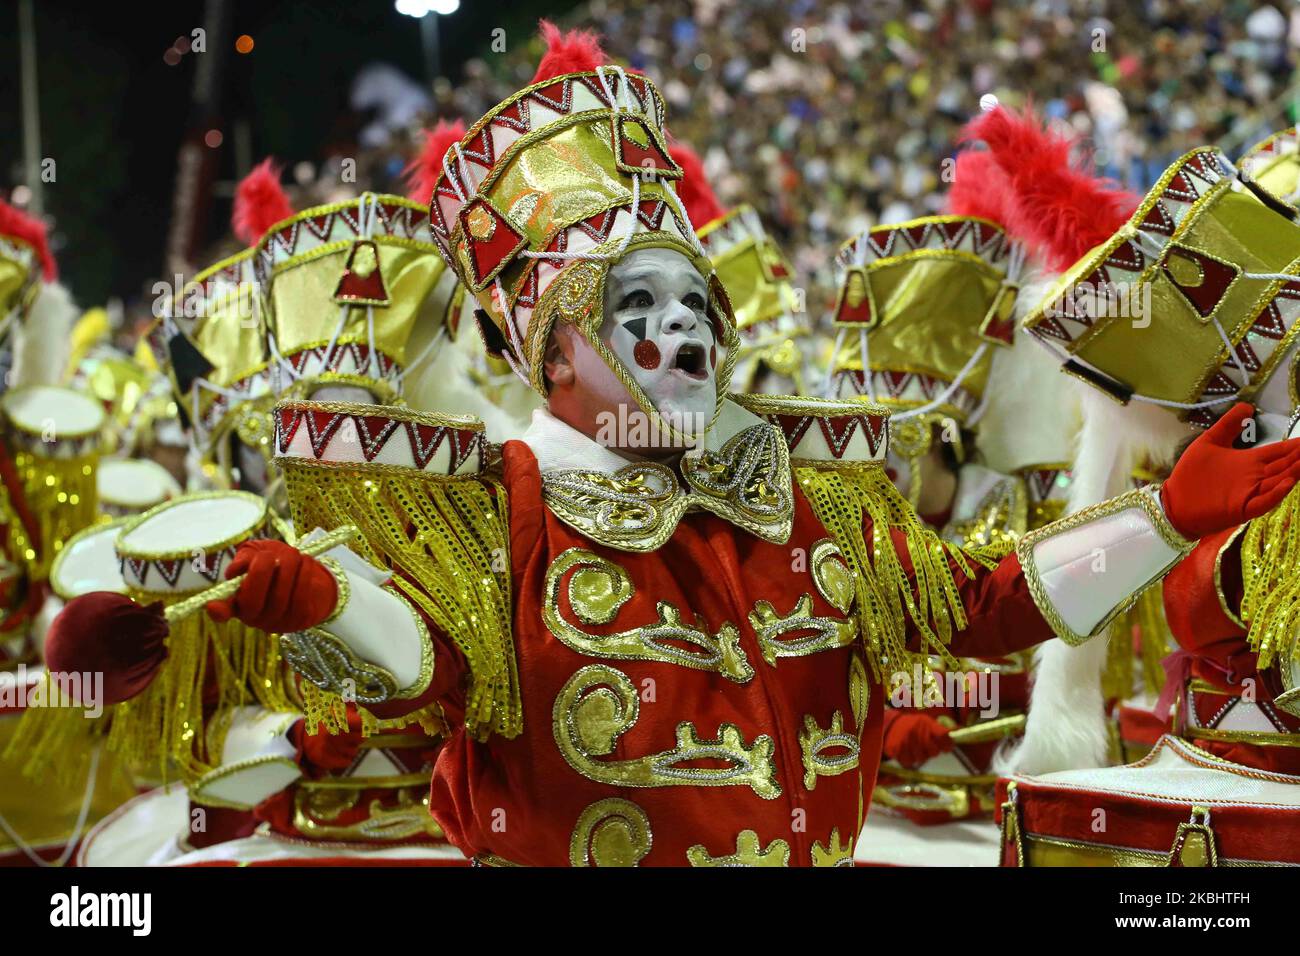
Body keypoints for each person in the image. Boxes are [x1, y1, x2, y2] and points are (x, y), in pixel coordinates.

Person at [194, 23, 1300, 867]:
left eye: (692, 299)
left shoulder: (806, 484)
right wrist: (322, 600)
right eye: (635, 304)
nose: (679, 325)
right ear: (555, 354)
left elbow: (979, 599)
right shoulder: (495, 504)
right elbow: (426, 664)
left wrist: (1165, 517)